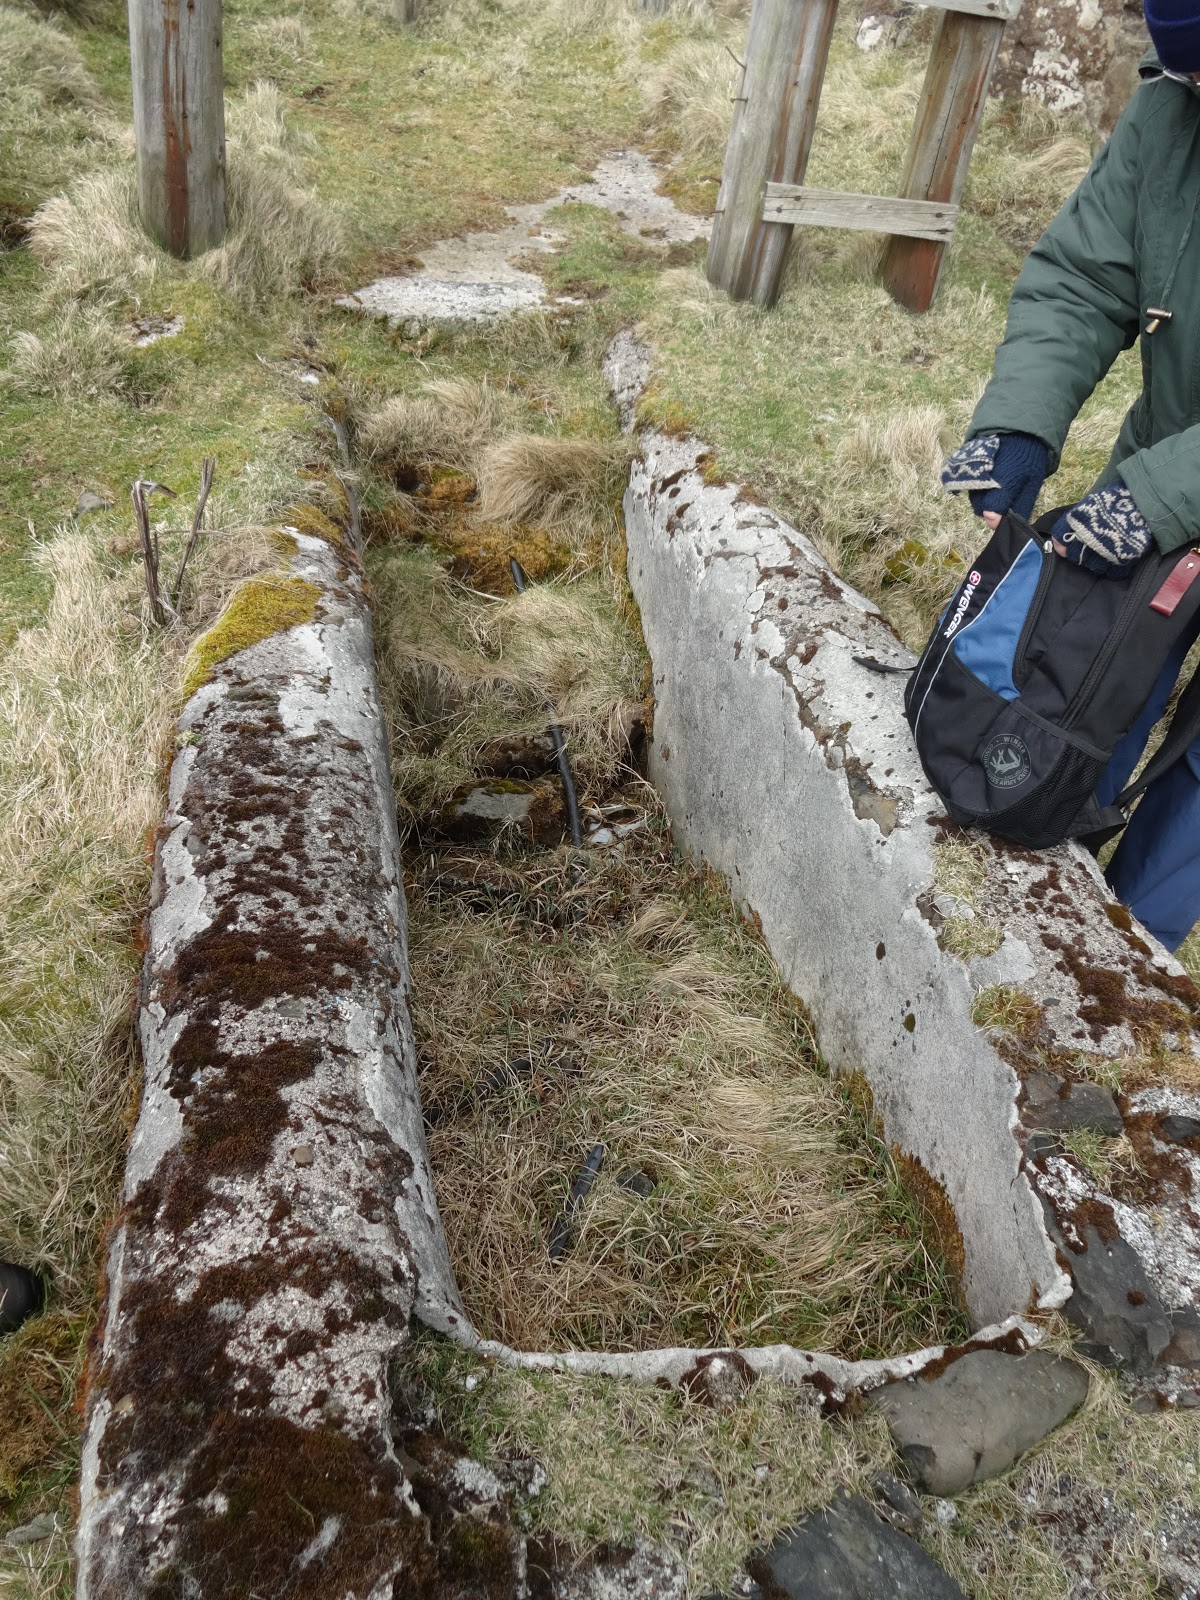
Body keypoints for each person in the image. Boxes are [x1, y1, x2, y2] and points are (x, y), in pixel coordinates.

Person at [939, 0, 1200, 952]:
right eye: (1188, 77)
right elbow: (1086, 278)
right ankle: (1043, 903)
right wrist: (1020, 424)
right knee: (1088, 689)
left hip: (1164, 490)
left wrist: (1164, 495)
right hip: (1160, 480)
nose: (1195, 97)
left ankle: (1123, 966)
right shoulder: (1175, 107)